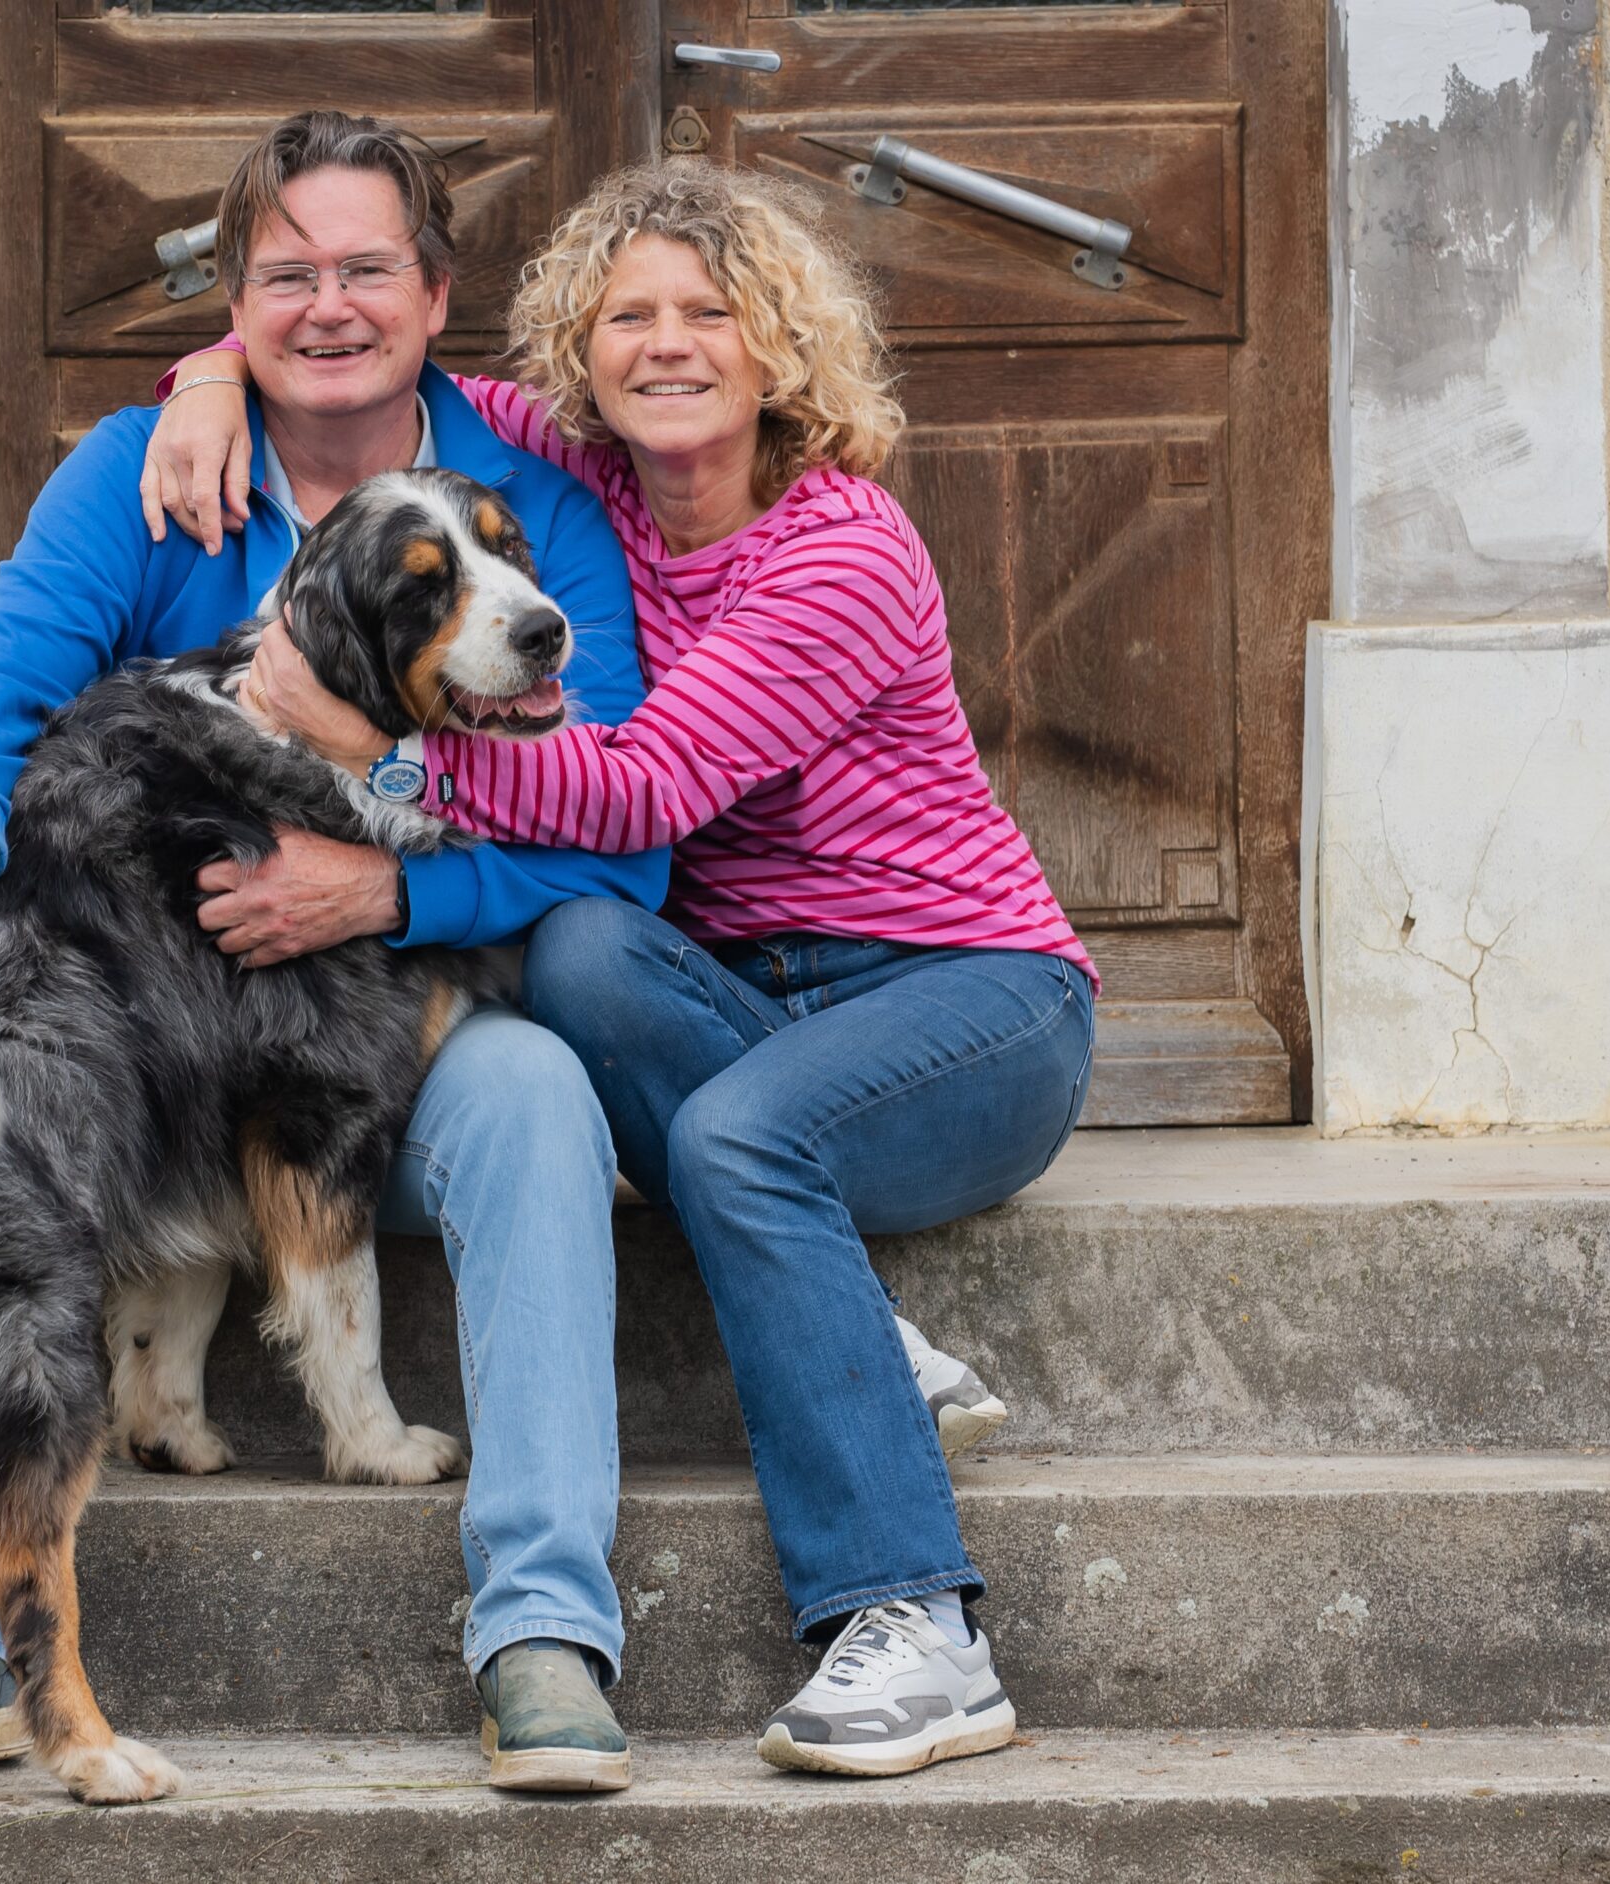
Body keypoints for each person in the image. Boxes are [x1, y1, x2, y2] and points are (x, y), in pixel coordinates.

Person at [148, 158, 1099, 1777]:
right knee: (583, 944)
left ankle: (919, 1630)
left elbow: (646, 784)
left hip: (962, 1000)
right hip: (744, 994)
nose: (667, 345)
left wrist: (373, 749)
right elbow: (370, 359)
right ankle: (863, 1335)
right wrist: (210, 369)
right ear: (577, 357)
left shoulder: (839, 553)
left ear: (778, 347)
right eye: (627, 316)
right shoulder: (579, 483)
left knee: (742, 1137)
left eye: (710, 314)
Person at [0, 110, 663, 1796]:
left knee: (543, 1094)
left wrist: (389, 898)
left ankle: (543, 1626)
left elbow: (629, 813)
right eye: (286, 277)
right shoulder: (147, 470)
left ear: (435, 290)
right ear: (236, 304)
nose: (330, 307)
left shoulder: (536, 494)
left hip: (394, 1010)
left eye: (367, 270)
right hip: (152, 1031)